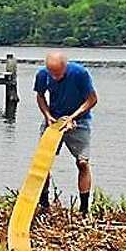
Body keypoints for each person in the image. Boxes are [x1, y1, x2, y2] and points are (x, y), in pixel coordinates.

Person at [34, 51, 98, 215]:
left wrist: (72, 117)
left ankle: (84, 208)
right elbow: (40, 96)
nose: (54, 77)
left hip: (79, 120)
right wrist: (47, 116)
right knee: (43, 163)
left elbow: (92, 99)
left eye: (58, 73)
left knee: (82, 163)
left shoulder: (79, 73)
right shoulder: (42, 74)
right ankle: (44, 203)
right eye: (51, 73)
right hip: (54, 120)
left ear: (65, 67)